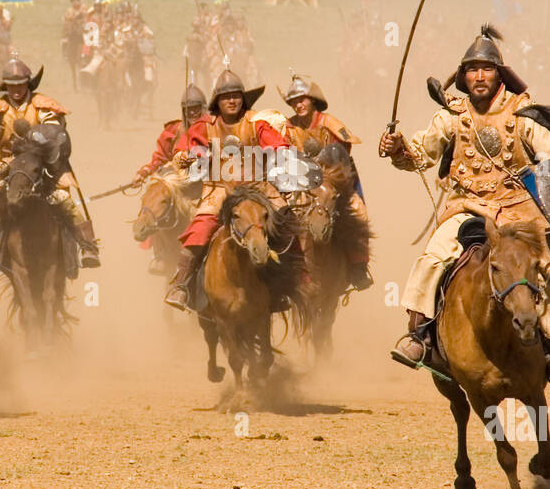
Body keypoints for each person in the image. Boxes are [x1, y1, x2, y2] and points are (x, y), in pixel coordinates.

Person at [377, 25, 550, 379]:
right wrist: (397, 148)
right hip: (467, 209)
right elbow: (418, 156)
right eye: (472, 69)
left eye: (486, 68)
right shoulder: (451, 118)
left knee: (544, 268)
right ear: (463, 77)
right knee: (432, 259)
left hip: (520, 214)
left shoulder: (524, 114)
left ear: (499, 74)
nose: (479, 76)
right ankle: (420, 334)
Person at [163, 70, 289, 310]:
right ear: (217, 101)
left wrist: (280, 152)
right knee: (201, 229)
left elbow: (277, 143)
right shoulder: (204, 125)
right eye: (226, 96)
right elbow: (181, 150)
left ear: (243, 98)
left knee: (286, 221)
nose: (232, 100)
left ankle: (291, 281)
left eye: (236, 95)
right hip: (219, 190)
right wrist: (187, 157)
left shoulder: (256, 121)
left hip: (257, 189)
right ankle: (181, 285)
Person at [0, 56, 99, 267]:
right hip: (11, 166)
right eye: (12, 85)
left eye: (20, 84)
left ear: (28, 83)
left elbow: (54, 128)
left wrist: (41, 140)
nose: (16, 89)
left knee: (63, 197)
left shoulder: (42, 105)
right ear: (5, 85)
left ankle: (87, 247)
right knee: (0, 200)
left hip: (42, 163)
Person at [282, 74, 372, 290]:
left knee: (358, 212)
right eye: (294, 101)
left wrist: (324, 164)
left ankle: (357, 267)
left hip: (333, 182)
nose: (298, 104)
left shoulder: (328, 122)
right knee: (281, 214)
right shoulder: (288, 127)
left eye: (302, 99)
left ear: (313, 99)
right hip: (299, 184)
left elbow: (343, 151)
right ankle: (285, 270)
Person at [134, 84, 207, 182]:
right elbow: (160, 158)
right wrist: (144, 172)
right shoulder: (174, 130)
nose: (192, 113)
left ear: (203, 109)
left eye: (196, 108)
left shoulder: (215, 128)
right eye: (189, 109)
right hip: (179, 184)